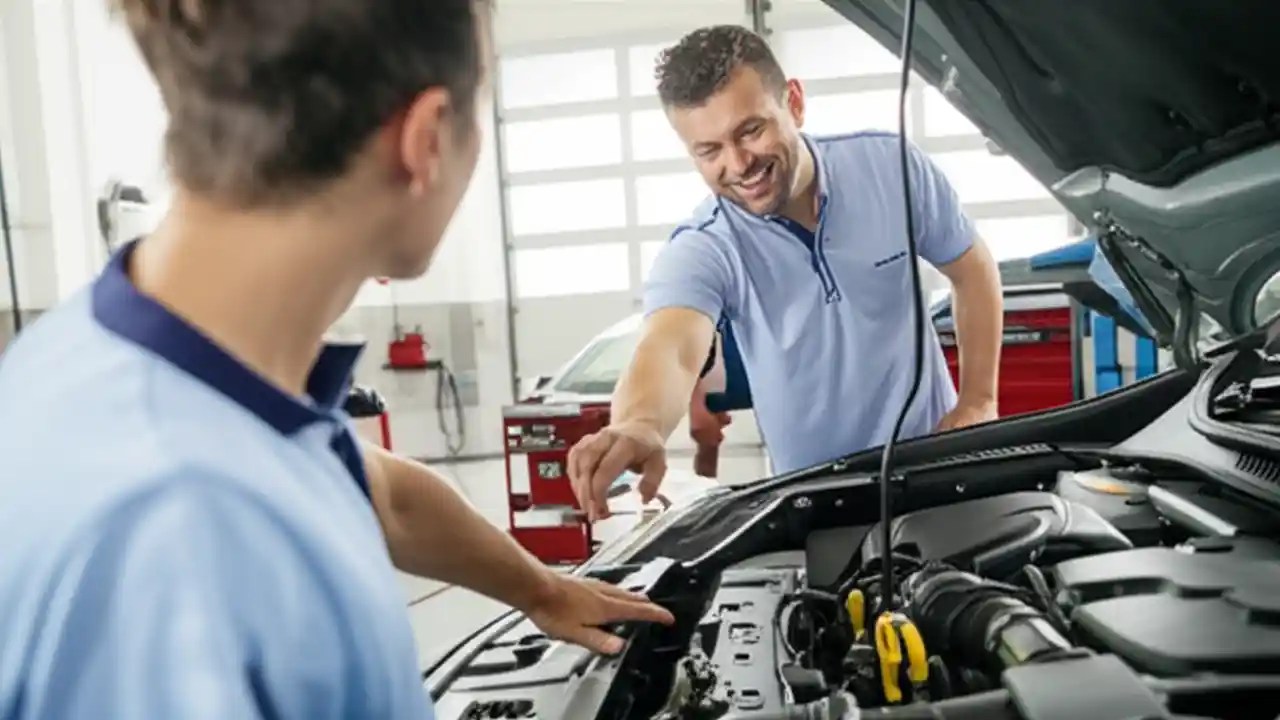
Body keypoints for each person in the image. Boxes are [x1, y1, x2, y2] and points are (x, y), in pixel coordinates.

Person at [0, 1, 673, 718]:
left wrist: (542, 588)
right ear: (427, 140)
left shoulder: (134, 362)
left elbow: (380, 494)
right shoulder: (175, 540)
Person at [569, 25, 1004, 521]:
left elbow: (972, 270)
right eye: (708, 151)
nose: (738, 164)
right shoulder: (707, 244)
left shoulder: (893, 170)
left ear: (793, 103)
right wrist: (639, 424)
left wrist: (977, 402)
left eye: (750, 131)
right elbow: (670, 345)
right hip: (815, 506)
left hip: (935, 470)